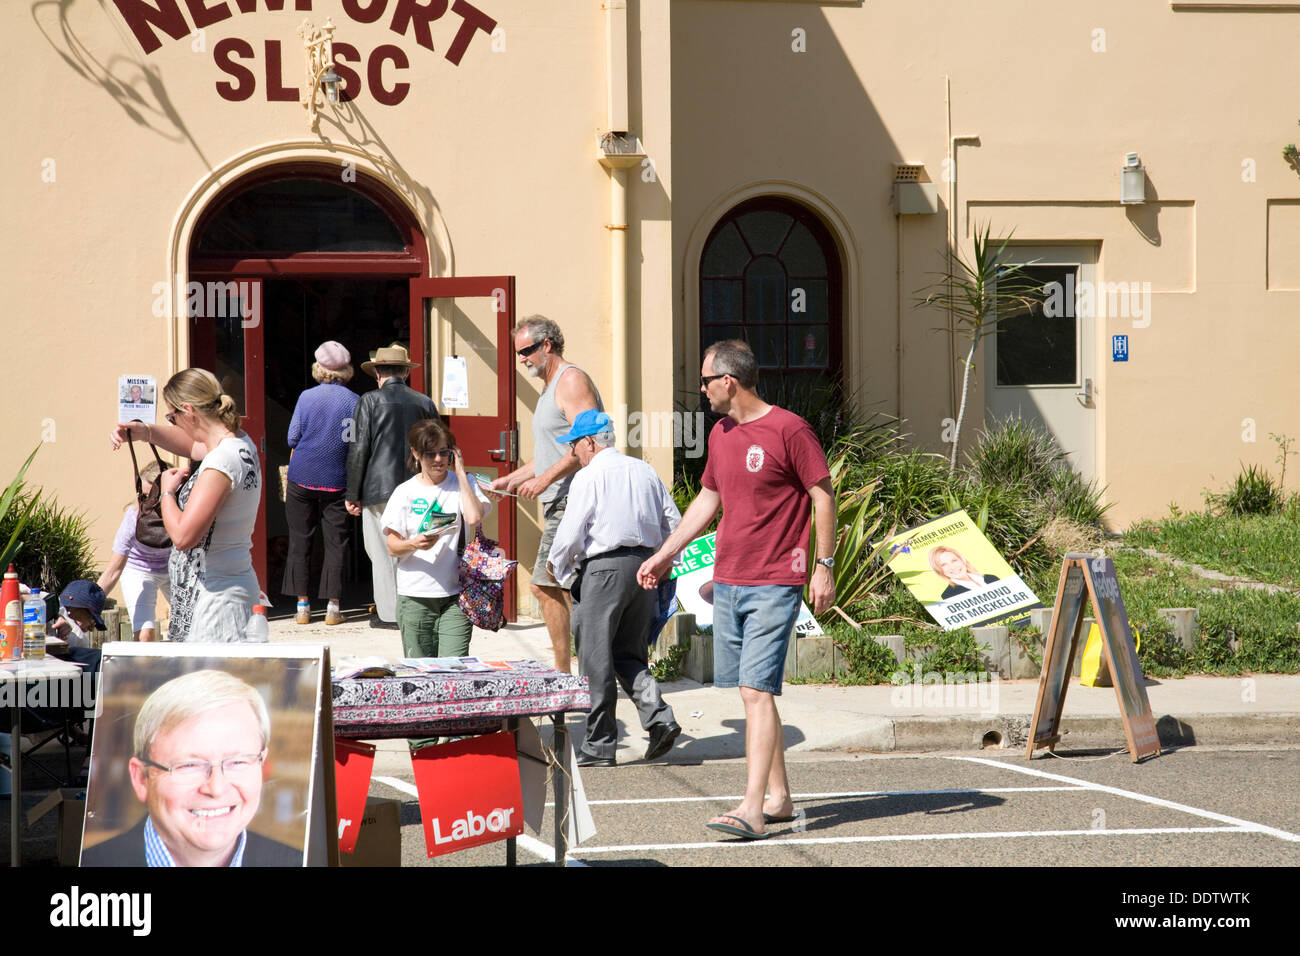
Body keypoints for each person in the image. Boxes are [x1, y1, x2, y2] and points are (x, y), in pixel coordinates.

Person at [638, 340, 836, 840]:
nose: (701, 390)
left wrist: (824, 566)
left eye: (705, 380)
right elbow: (709, 497)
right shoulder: (723, 434)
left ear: (728, 380)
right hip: (728, 579)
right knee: (749, 693)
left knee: (755, 690)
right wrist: (667, 553)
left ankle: (752, 807)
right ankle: (781, 798)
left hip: (776, 579)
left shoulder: (790, 429)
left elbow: (822, 495)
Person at [546, 409, 682, 767]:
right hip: (645, 569)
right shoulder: (645, 470)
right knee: (628, 655)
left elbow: (571, 532)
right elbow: (674, 522)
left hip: (604, 571)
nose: (574, 452)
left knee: (595, 658)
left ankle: (599, 745)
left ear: (590, 442)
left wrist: (557, 567)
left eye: (575, 444)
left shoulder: (590, 476)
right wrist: (665, 563)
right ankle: (659, 717)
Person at [80, 669, 302, 867]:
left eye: (238, 762)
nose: (216, 788)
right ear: (141, 779)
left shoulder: (298, 862)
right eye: (190, 766)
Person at [109, 368, 262, 643]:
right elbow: (192, 447)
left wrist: (166, 493)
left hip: (216, 603)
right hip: (217, 594)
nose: (173, 423)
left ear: (189, 411)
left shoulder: (220, 463)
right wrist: (146, 432)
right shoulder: (238, 443)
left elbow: (182, 536)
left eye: (173, 416)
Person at [490, 316, 603, 673]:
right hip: (560, 500)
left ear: (548, 345)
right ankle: (585, 667)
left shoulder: (570, 381)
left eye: (526, 351)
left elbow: (588, 443)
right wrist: (508, 480)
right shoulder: (550, 385)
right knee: (571, 587)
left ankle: (562, 671)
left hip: (575, 499)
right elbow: (549, 455)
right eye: (518, 353)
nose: (522, 359)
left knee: (544, 584)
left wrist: (542, 482)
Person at [345, 344, 440, 629]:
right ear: (406, 373)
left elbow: (359, 448)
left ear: (377, 372)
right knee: (415, 548)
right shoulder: (424, 402)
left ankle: (389, 614)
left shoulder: (369, 401)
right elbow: (437, 445)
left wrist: (353, 493)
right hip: (416, 486)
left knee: (382, 552)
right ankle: (417, 610)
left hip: (378, 489)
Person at [381, 419, 490, 661]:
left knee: (454, 669)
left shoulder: (465, 483)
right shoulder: (404, 492)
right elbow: (392, 547)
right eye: (431, 454)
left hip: (456, 596)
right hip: (415, 597)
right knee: (420, 673)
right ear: (416, 453)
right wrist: (413, 543)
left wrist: (461, 472)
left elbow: (473, 517)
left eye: (444, 452)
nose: (439, 460)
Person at [283, 341, 359, 626]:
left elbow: (292, 438)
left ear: (318, 368)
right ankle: (333, 607)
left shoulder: (306, 397)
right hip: (337, 479)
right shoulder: (354, 401)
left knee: (300, 539)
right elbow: (353, 443)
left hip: (302, 476)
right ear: (347, 370)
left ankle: (303, 606)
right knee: (336, 542)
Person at [97, 458, 173, 641]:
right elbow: (113, 571)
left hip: (172, 570)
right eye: (142, 496)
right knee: (144, 635)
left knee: (193, 625)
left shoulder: (183, 512)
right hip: (139, 569)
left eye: (152, 497)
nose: (146, 503)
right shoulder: (133, 518)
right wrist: (85, 606)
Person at [928, 546, 999, 599]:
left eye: (954, 560)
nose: (952, 567)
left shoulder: (991, 578)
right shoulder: (949, 595)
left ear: (962, 560)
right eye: (943, 565)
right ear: (939, 570)